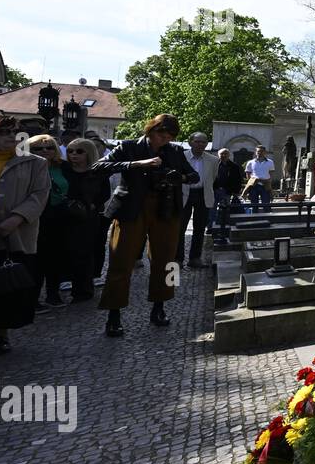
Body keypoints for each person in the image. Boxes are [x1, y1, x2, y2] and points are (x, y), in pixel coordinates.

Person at [92, 113, 197, 337]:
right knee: (121, 261)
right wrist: (135, 164)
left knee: (168, 263)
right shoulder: (129, 147)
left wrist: (180, 177)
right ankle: (113, 315)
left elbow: (194, 176)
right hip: (132, 209)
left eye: (169, 136)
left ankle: (160, 307)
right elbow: (98, 167)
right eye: (161, 134)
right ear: (150, 130)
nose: (164, 139)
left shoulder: (176, 151)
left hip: (166, 211)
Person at [0, 113, 50, 356]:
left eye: (14, 132)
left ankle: (0, 334)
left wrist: (16, 218)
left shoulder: (35, 162)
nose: (11, 137)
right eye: (3, 132)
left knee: (7, 286)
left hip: (16, 234)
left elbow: (39, 195)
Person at [62, 137, 110, 302]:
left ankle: (84, 290)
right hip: (67, 217)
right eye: (70, 151)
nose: (74, 155)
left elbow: (105, 193)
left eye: (79, 151)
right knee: (69, 252)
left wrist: (94, 205)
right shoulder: (65, 170)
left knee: (86, 253)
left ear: (88, 153)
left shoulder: (98, 172)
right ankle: (71, 285)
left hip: (89, 218)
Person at [28, 134, 70, 308]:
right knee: (35, 260)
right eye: (38, 148)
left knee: (57, 258)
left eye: (49, 147)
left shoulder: (64, 167)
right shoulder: (25, 167)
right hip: (34, 218)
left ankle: (53, 294)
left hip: (60, 217)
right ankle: (32, 298)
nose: (45, 151)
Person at [176, 132, 217, 268]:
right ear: (190, 142)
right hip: (184, 193)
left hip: (203, 194)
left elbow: (213, 177)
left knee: (200, 228)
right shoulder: (181, 156)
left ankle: (195, 258)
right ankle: (178, 259)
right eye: (197, 141)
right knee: (180, 228)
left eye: (203, 142)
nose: (200, 144)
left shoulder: (213, 160)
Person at [212, 147, 244, 245]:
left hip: (227, 191)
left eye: (226, 154)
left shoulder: (234, 166)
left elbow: (238, 179)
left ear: (229, 155)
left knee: (225, 209)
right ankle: (211, 227)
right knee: (212, 209)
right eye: (222, 154)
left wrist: (236, 191)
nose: (224, 155)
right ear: (218, 155)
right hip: (215, 190)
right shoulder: (214, 164)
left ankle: (224, 227)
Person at [244, 146, 275, 213]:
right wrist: (250, 183)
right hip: (254, 185)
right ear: (256, 152)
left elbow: (271, 173)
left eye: (261, 151)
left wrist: (269, 182)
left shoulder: (270, 162)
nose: (260, 153)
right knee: (254, 205)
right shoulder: (250, 162)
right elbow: (248, 173)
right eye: (258, 151)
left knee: (266, 204)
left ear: (265, 152)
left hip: (265, 185)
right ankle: (254, 220)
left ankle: (267, 219)